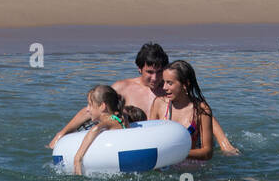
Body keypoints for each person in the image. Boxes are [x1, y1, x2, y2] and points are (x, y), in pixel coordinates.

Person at [48, 42, 239, 153]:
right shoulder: (123, 88)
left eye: (159, 72)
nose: (155, 79)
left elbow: (201, 112)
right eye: (149, 72)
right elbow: (94, 109)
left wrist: (224, 143)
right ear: (139, 68)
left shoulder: (170, 90)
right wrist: (61, 134)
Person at [148, 60, 219, 161]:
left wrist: (177, 153)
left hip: (191, 167)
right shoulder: (159, 104)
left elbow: (207, 152)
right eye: (164, 82)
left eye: (170, 83)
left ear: (185, 84)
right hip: (165, 165)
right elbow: (150, 139)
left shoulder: (201, 110)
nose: (164, 87)